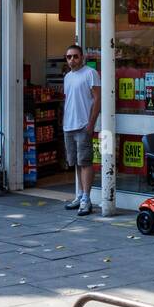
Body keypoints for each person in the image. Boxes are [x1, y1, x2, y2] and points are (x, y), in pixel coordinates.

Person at [62, 44, 100, 216]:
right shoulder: (67, 77)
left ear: (82, 57)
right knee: (76, 162)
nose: (72, 59)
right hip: (68, 125)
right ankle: (79, 195)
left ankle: (86, 199)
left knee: (85, 162)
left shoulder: (90, 73)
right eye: (69, 57)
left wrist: (91, 123)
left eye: (75, 56)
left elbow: (97, 99)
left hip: (83, 124)